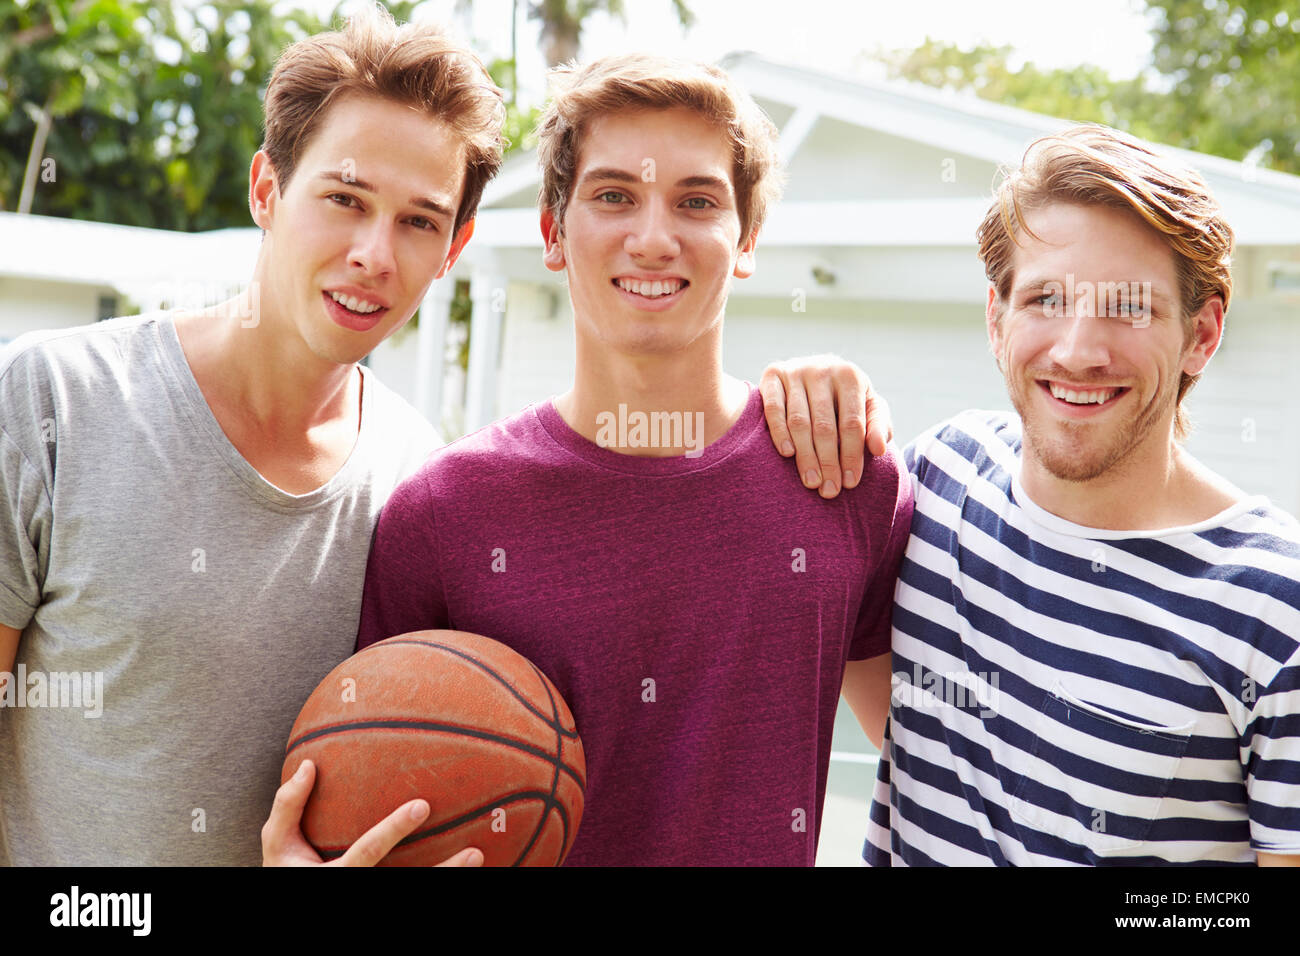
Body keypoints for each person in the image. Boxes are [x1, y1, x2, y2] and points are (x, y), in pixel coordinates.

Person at [0, 8, 887, 866]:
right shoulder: (52, 403)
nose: (374, 254)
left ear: (455, 245)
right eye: (345, 199)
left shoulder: (412, 476)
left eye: (419, 220)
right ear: (267, 189)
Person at [268, 54, 913, 867]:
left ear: (746, 240)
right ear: (552, 231)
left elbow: (937, 758)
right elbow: (367, 786)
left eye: (698, 201)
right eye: (613, 196)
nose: (652, 238)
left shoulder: (840, 478)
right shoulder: (443, 513)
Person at [847, 125, 1300, 865]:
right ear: (996, 320)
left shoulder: (1276, 607)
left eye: (1130, 307)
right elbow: (896, 725)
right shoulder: (936, 480)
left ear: (1203, 334)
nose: (1079, 351)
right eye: (1047, 299)